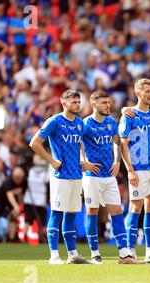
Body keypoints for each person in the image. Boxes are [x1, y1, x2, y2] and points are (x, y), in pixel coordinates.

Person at [29, 89, 97, 265]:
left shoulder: (80, 123)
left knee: (72, 215)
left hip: (76, 175)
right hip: (60, 176)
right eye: (74, 102)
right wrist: (51, 160)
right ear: (64, 103)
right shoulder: (54, 122)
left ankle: (72, 255)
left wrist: (83, 160)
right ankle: (54, 256)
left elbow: (80, 144)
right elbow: (34, 143)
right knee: (57, 214)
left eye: (78, 102)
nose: (77, 105)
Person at [82, 90, 140, 265]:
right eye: (104, 103)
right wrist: (83, 161)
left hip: (109, 176)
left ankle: (124, 254)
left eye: (109, 103)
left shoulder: (111, 122)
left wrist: (116, 161)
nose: (108, 106)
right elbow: (78, 144)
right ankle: (94, 253)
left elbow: (117, 142)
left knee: (117, 212)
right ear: (94, 104)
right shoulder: (85, 124)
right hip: (92, 176)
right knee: (92, 212)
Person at [119, 78, 150, 263]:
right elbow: (123, 144)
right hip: (138, 168)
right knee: (135, 206)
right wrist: (130, 170)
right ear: (138, 93)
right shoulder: (129, 115)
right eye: (147, 91)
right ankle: (129, 250)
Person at [0, 167, 27, 242]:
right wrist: (16, 207)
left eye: (20, 178)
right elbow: (9, 195)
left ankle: (12, 237)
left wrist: (18, 206)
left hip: (13, 200)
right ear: (13, 176)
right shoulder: (8, 181)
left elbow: (21, 194)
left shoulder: (24, 182)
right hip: (1, 199)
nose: (19, 180)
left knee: (13, 216)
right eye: (17, 178)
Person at [23, 154, 49, 243]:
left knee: (41, 221)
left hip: (40, 200)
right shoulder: (30, 170)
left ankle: (41, 236)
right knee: (28, 219)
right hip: (30, 199)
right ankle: (23, 237)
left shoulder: (46, 171)